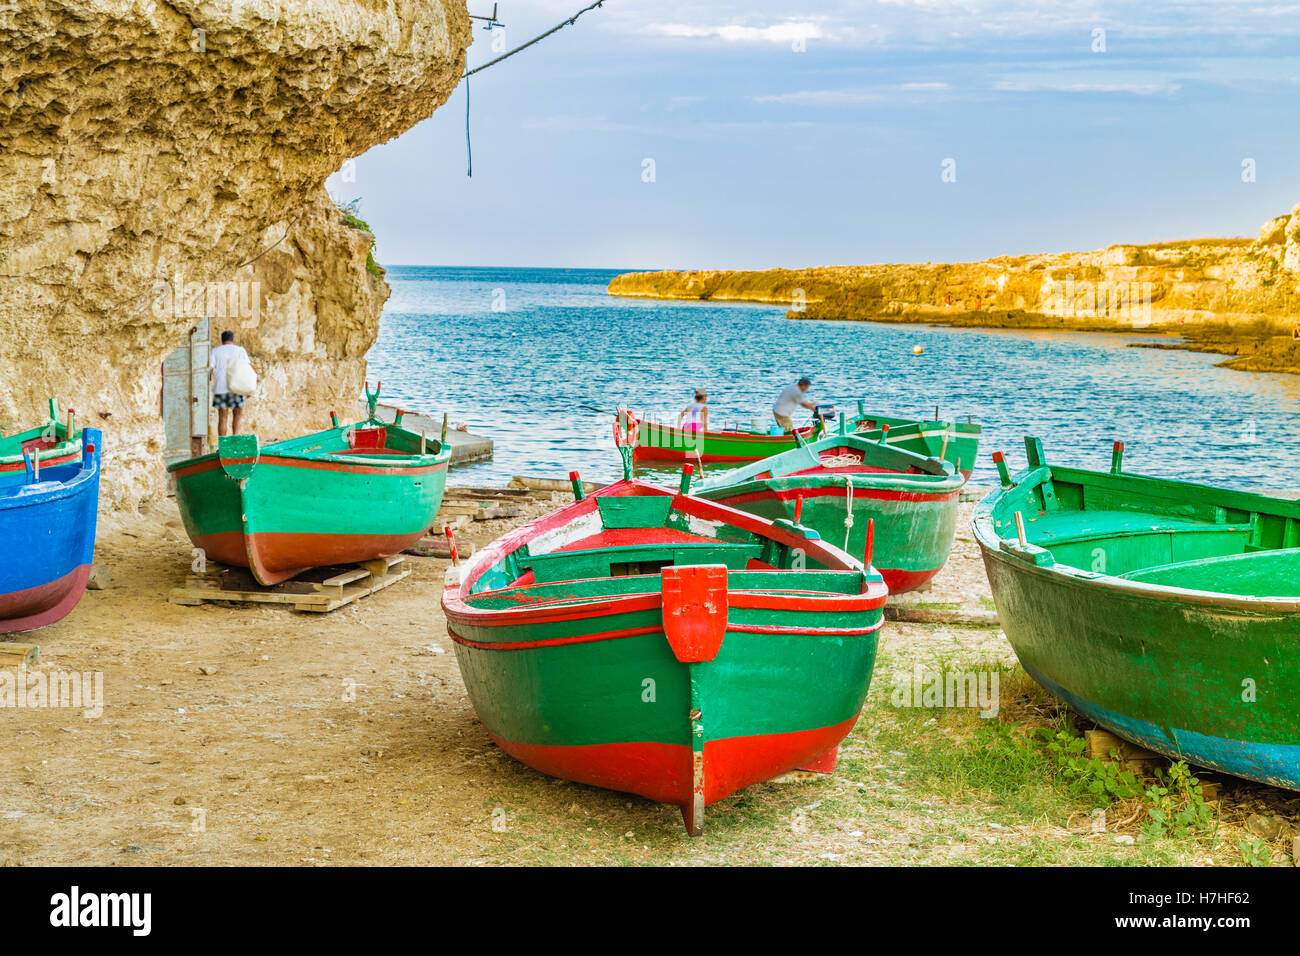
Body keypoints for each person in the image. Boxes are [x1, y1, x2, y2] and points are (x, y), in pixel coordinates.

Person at [210, 330, 251, 436]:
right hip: (237, 388)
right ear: (233, 340)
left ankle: (222, 444)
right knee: (237, 415)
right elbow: (246, 368)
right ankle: (235, 440)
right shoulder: (240, 350)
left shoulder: (215, 351)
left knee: (222, 417)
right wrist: (248, 389)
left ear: (222, 340)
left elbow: (210, 368)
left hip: (220, 388)